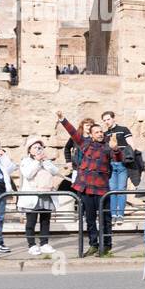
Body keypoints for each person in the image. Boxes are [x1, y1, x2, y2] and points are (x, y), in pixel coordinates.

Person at [55, 109, 123, 255]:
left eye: (101, 132)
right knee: (90, 219)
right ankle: (93, 244)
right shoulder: (85, 144)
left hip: (101, 189)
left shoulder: (107, 147)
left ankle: (106, 245)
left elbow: (118, 159)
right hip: (86, 188)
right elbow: (73, 133)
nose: (100, 134)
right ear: (91, 135)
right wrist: (63, 119)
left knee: (105, 218)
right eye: (96, 132)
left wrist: (116, 149)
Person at [19, 137, 63, 255]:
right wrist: (37, 162)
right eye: (35, 147)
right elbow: (28, 174)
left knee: (45, 220)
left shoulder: (46, 161)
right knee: (31, 221)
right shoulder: (25, 161)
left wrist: (44, 161)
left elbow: (55, 171)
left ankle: (44, 243)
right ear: (29, 150)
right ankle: (32, 244)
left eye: (40, 147)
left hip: (46, 194)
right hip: (33, 195)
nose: (38, 149)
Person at [101, 111, 133, 222]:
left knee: (121, 189)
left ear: (113, 118)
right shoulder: (105, 134)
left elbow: (131, 145)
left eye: (108, 119)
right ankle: (113, 215)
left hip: (122, 164)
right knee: (112, 190)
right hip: (111, 164)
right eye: (104, 120)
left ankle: (120, 215)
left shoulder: (123, 129)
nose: (106, 122)